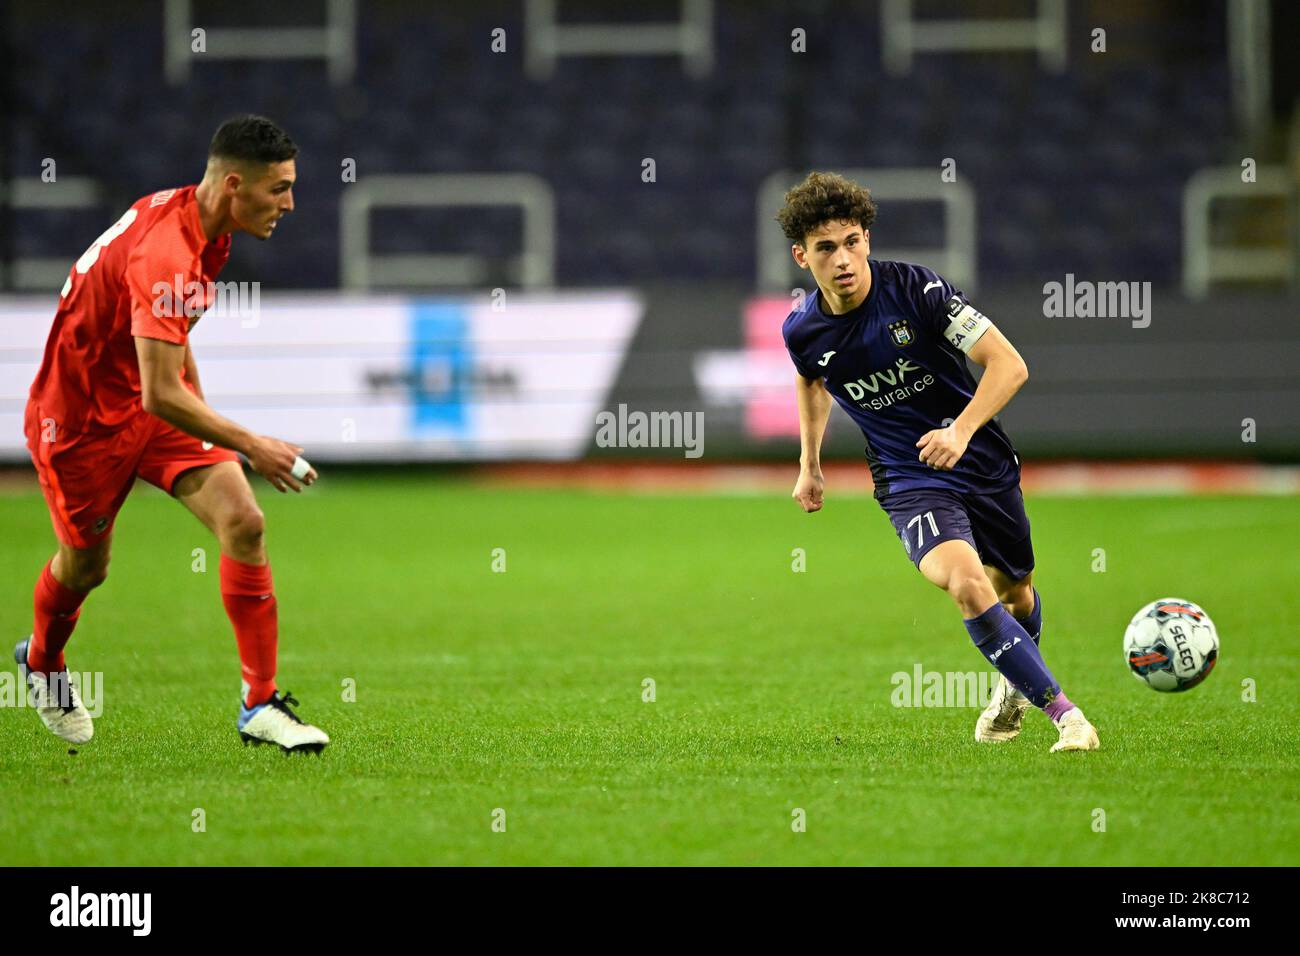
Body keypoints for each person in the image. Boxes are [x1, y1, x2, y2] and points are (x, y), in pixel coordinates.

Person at [17, 114, 329, 754]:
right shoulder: (169, 251)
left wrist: (209, 434)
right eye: (280, 189)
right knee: (87, 568)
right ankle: (42, 662)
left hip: (146, 407)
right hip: (78, 425)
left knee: (244, 521)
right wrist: (250, 442)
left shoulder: (204, 223)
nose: (290, 203)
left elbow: (170, 348)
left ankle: (259, 703)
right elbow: (163, 390)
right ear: (236, 184)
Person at [779, 171, 1098, 752]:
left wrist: (961, 428)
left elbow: (1008, 365)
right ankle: (1067, 715)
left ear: (867, 239)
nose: (843, 259)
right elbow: (811, 382)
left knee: (1016, 592)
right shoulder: (803, 330)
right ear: (803, 256)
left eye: (851, 241)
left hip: (980, 460)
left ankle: (1011, 687)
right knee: (967, 584)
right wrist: (810, 463)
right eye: (826, 248)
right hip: (908, 480)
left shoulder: (918, 292)